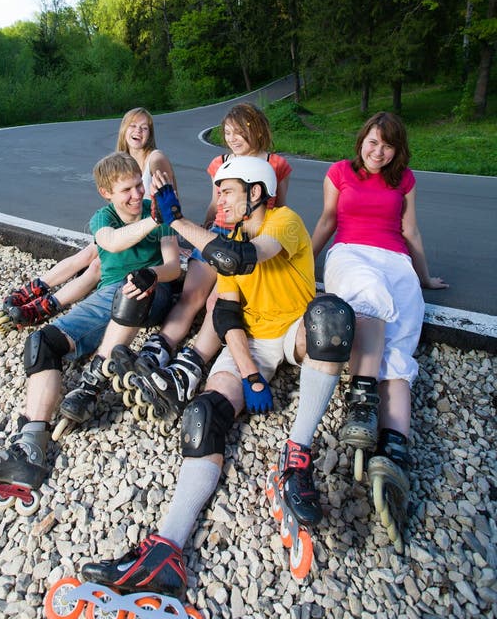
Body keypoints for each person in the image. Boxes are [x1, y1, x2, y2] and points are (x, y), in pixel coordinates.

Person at [79, 156, 354, 595]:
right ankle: (166, 547)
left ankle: (295, 456)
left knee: (332, 317)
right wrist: (249, 371)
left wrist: (179, 221)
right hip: (255, 339)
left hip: (294, 328)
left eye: (227, 191)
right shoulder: (229, 234)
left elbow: (241, 258)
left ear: (257, 194)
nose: (219, 199)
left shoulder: (283, 222)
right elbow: (226, 313)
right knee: (202, 416)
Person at [0, 152, 180, 502]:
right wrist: (153, 220)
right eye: (127, 191)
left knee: (130, 291)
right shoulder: (103, 219)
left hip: (153, 291)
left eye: (139, 186)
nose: (137, 195)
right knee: (41, 344)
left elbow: (173, 267)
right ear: (107, 193)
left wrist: (151, 272)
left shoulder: (156, 208)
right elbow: (113, 242)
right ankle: (29, 448)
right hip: (109, 294)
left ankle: (92, 384)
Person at [310, 111, 448, 550]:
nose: (378, 151)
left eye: (387, 145)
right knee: (367, 299)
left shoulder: (403, 181)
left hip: (396, 262)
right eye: (372, 142)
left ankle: (394, 453)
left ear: (396, 149)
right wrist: (303, 265)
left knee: (402, 343)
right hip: (349, 253)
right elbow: (329, 221)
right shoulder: (338, 173)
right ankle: (362, 404)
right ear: (361, 141)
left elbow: (410, 231)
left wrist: (423, 276)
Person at [110, 103, 292, 425]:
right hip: (217, 233)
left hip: (250, 239)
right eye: (228, 132)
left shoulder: (276, 164)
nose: (233, 138)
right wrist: (199, 233)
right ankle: (156, 351)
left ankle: (187, 368)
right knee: (191, 295)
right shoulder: (220, 162)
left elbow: (279, 209)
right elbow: (214, 205)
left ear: (257, 128)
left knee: (217, 303)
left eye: (240, 131)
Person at [0, 107, 176, 329]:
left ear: (151, 133)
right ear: (124, 129)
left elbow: (168, 198)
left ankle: (44, 303)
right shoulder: (120, 161)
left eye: (144, 127)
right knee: (94, 255)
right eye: (133, 125)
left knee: (96, 259)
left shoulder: (154, 157)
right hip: (128, 224)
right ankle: (37, 291)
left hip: (149, 226)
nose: (138, 131)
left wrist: (163, 220)